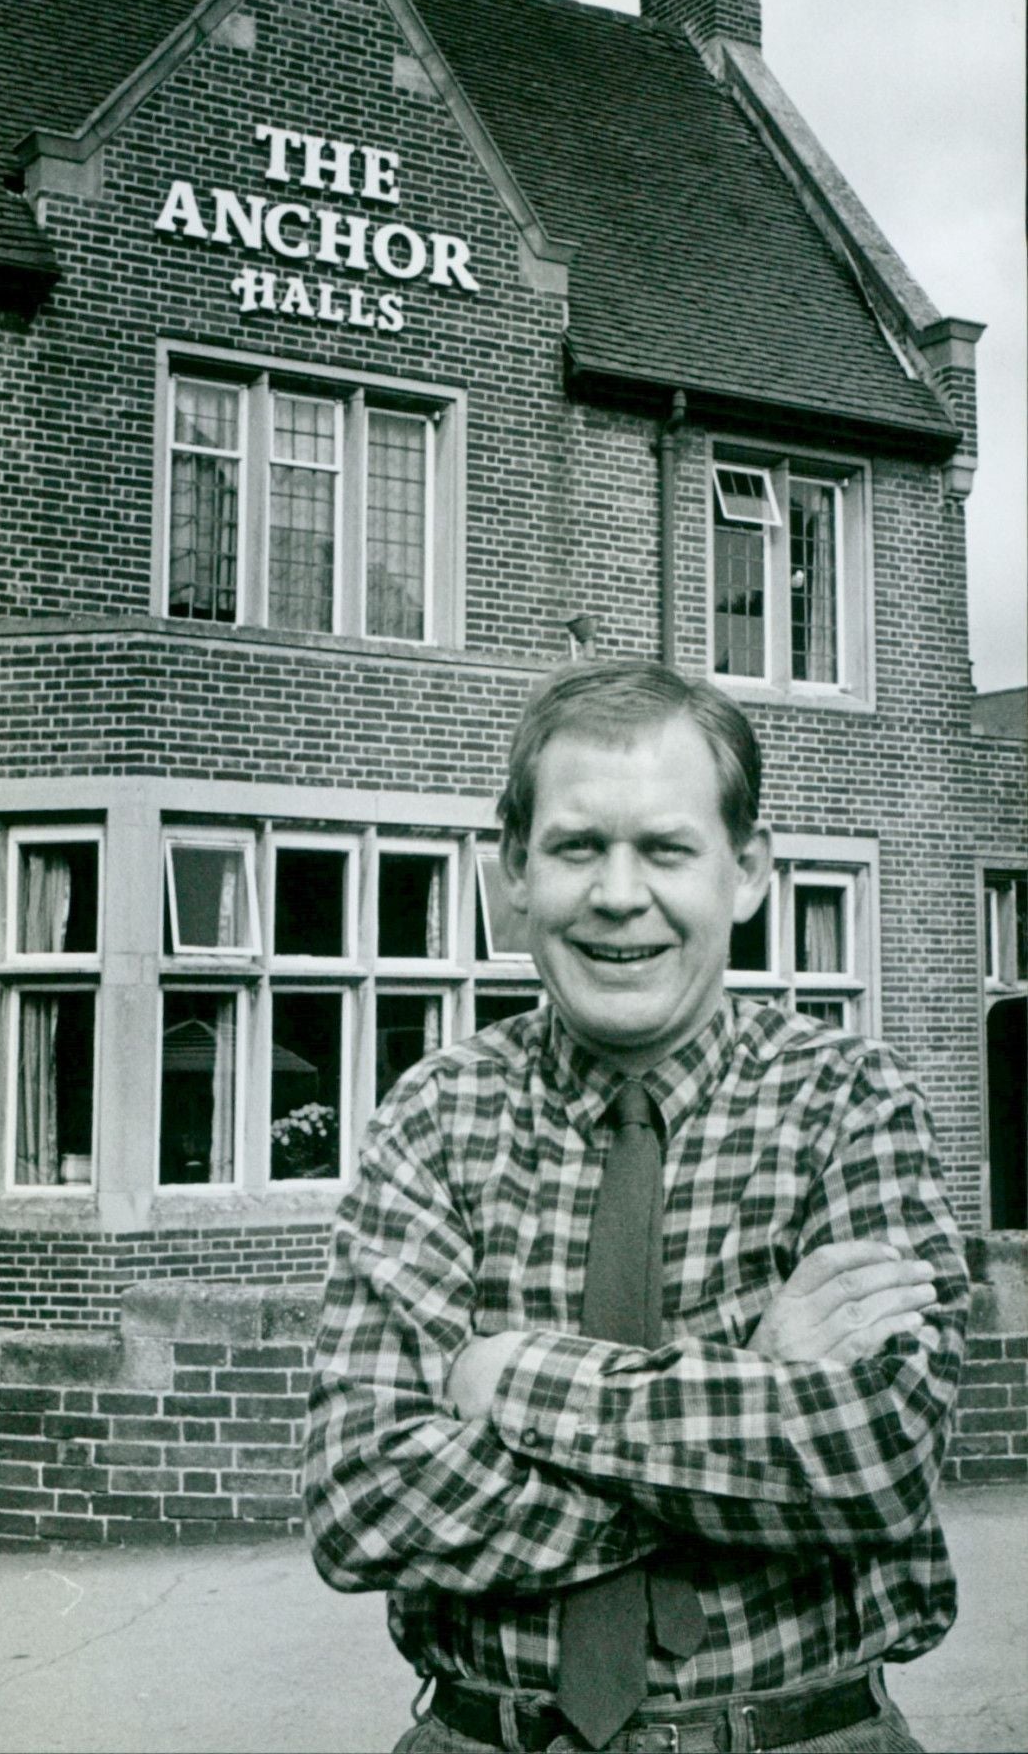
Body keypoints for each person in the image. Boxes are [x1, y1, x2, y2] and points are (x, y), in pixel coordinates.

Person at [303, 658, 968, 1754]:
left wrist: (510, 1375)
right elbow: (361, 1495)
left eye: (665, 848)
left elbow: (876, 1455)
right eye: (576, 846)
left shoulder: (851, 1101)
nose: (619, 893)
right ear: (511, 873)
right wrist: (751, 1391)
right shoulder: (432, 1114)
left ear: (746, 871)